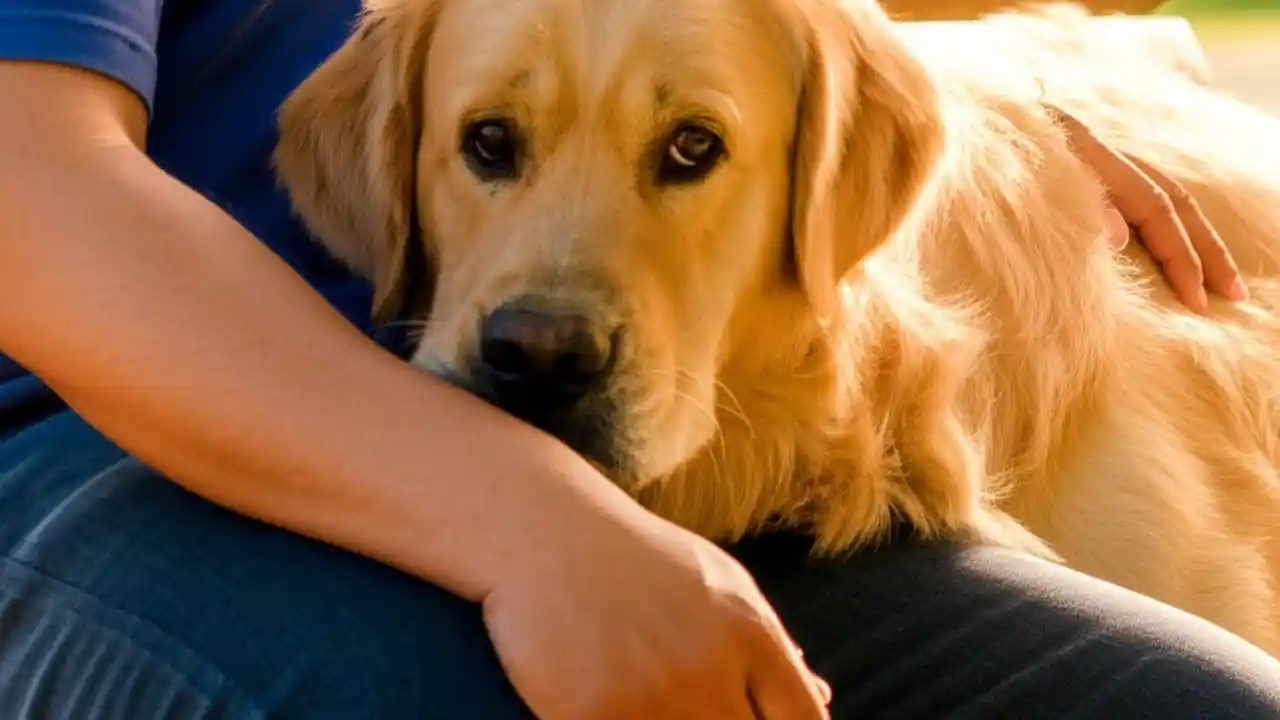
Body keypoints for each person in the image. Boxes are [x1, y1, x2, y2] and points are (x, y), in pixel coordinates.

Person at [0, 0, 1273, 718]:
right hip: (93, 436)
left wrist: (969, 116)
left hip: (651, 472)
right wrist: (521, 527)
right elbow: (24, 197)